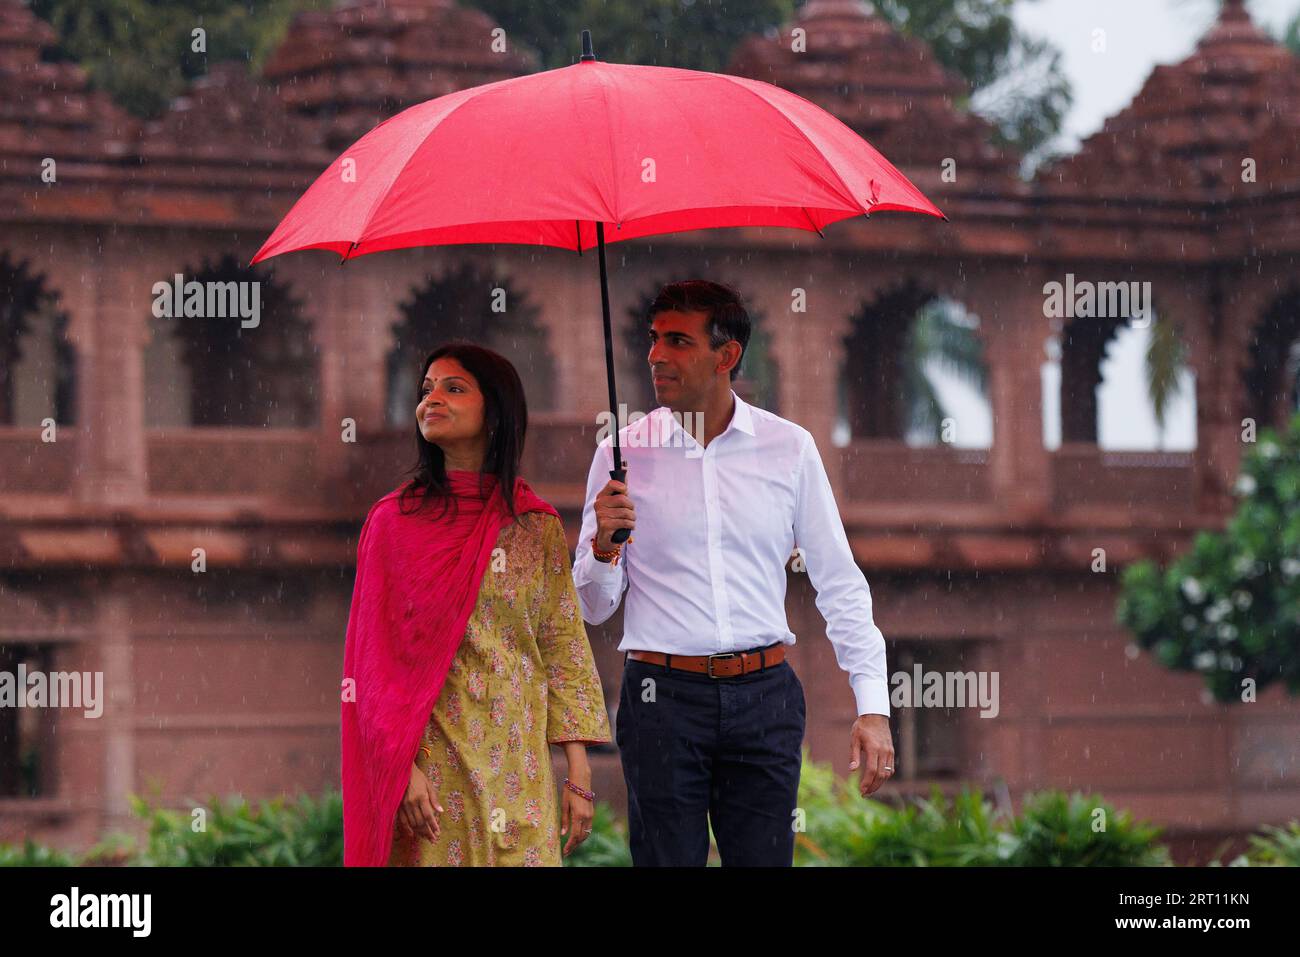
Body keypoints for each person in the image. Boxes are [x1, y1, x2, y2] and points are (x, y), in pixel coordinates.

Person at [573, 280, 894, 866]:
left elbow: (839, 581)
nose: (655, 356)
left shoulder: (789, 448)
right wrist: (603, 546)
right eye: (652, 340)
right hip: (659, 697)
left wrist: (872, 706)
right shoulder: (619, 457)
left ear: (726, 356)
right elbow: (593, 609)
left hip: (765, 697)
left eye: (677, 341)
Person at [341, 342, 610, 867]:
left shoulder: (536, 526)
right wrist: (402, 771)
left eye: (454, 388)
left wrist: (578, 768)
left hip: (519, 766)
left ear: (497, 412)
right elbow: (368, 661)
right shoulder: (393, 523)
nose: (431, 399)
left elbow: (562, 647)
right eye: (425, 390)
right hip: (432, 771)